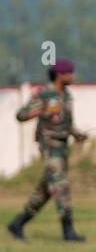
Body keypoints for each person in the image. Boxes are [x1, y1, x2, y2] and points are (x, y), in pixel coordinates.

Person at [8, 58, 89, 242]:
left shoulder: (67, 95)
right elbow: (20, 115)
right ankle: (68, 231)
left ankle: (18, 223)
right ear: (60, 75)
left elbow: (67, 122)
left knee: (45, 191)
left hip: (62, 147)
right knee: (61, 185)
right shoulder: (44, 94)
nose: (72, 76)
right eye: (70, 73)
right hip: (49, 146)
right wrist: (35, 112)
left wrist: (77, 134)